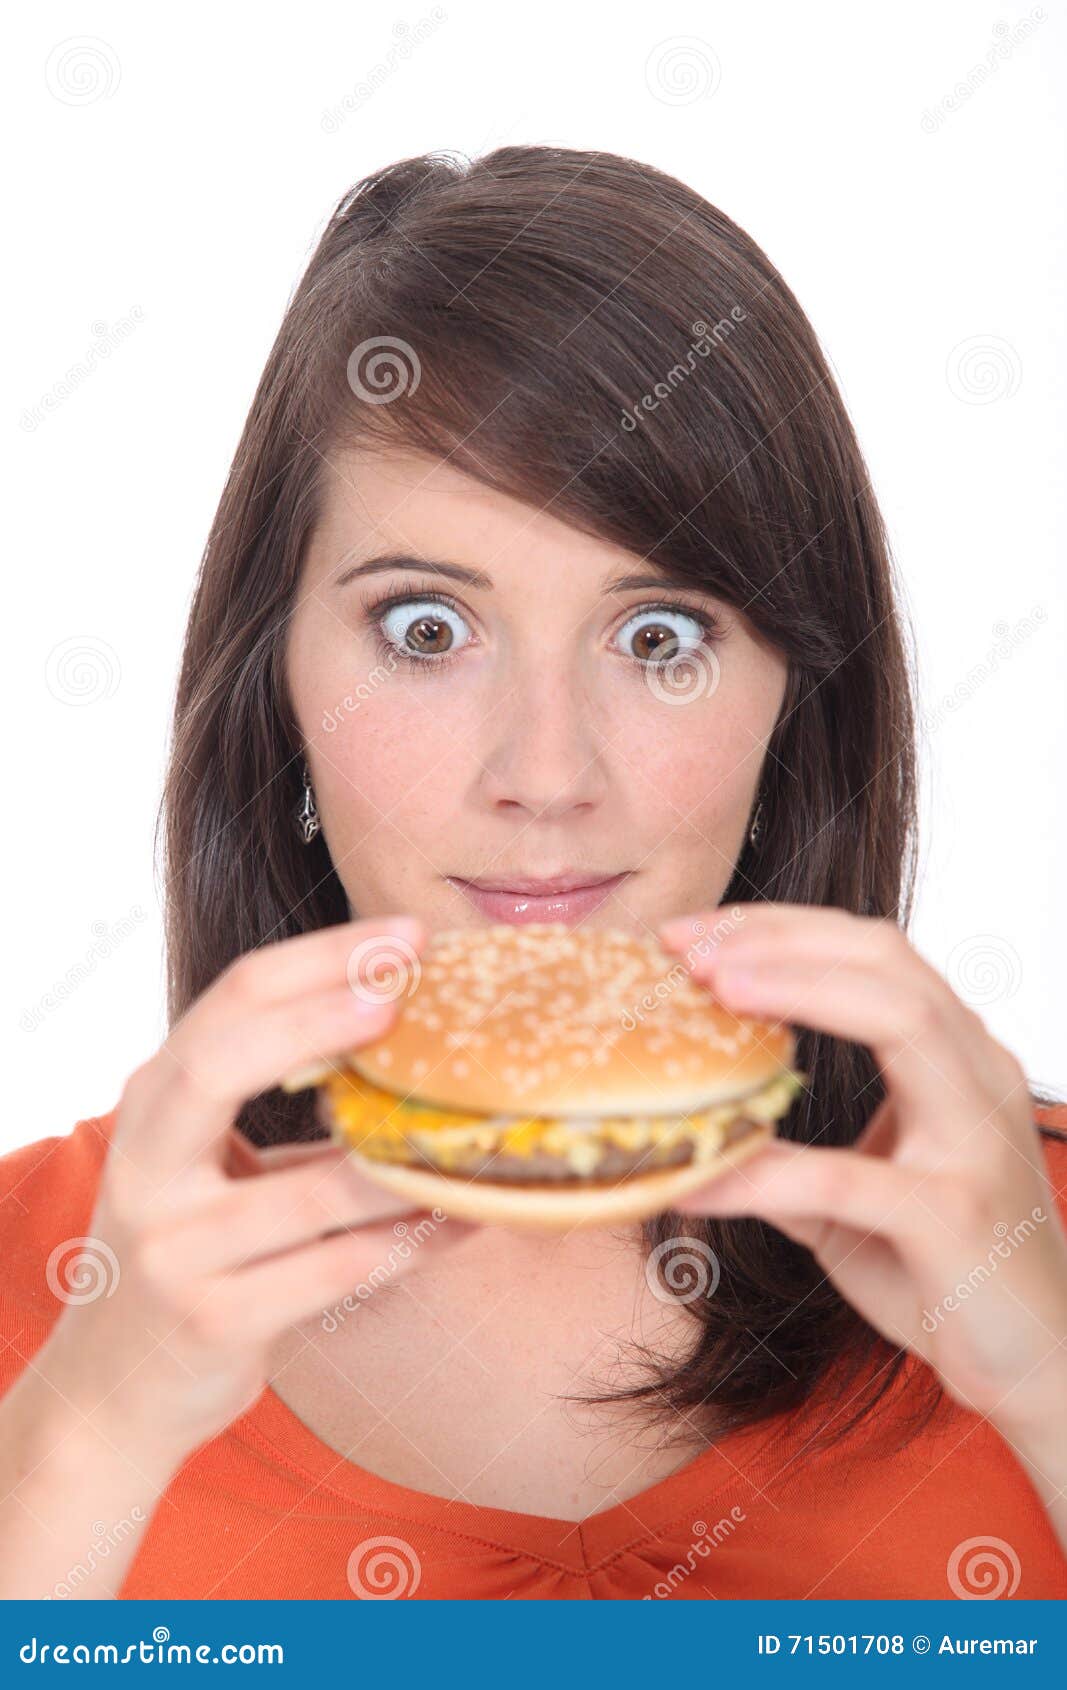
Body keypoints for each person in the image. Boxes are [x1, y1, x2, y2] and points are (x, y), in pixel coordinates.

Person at [2, 146, 1065, 1602]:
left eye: (659, 637)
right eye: (427, 630)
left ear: (792, 703)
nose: (549, 772)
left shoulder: (1030, 1241)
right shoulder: (36, 1282)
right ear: (279, 684)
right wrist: (84, 1432)